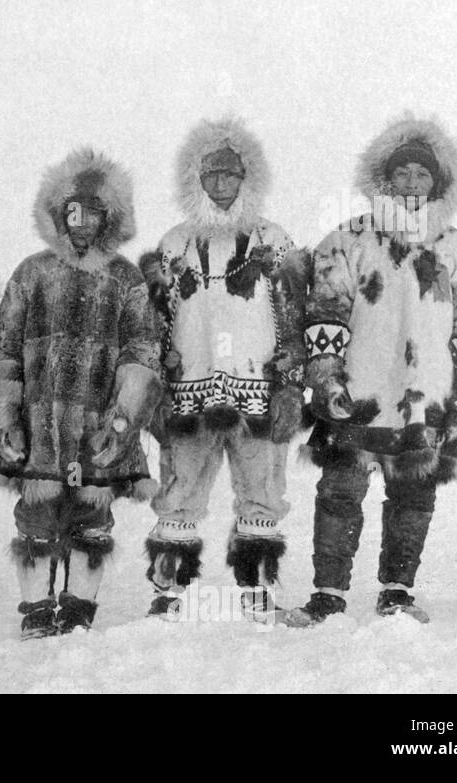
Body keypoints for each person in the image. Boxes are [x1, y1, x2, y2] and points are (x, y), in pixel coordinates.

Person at [287, 114, 457, 626]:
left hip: (425, 392)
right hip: (360, 386)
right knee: (340, 490)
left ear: (437, 183)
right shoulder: (350, 237)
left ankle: (398, 591)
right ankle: (328, 594)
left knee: (413, 491)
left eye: (421, 175)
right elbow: (325, 308)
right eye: (401, 174)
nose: (410, 183)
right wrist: (327, 374)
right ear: (384, 180)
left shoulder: (456, 246)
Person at [138, 117, 309, 622]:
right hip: (191, 388)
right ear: (195, 179)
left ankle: (257, 588)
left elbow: (297, 315)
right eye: (210, 175)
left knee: (262, 490)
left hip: (258, 386)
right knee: (180, 489)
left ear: (246, 178)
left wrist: (292, 384)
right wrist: (155, 386)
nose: (220, 184)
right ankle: (167, 590)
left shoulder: (273, 241)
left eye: (230, 174)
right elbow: (153, 322)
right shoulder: (174, 243)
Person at [0, 148, 164, 639]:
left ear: (110, 218)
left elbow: (142, 353)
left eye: (93, 213)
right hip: (39, 428)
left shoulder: (126, 278)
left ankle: (79, 611)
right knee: (36, 520)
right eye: (72, 211)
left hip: (99, 424)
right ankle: (37, 612)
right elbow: (3, 350)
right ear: (57, 214)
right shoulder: (32, 273)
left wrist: (123, 420)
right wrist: (5, 415)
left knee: (92, 517)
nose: (82, 222)